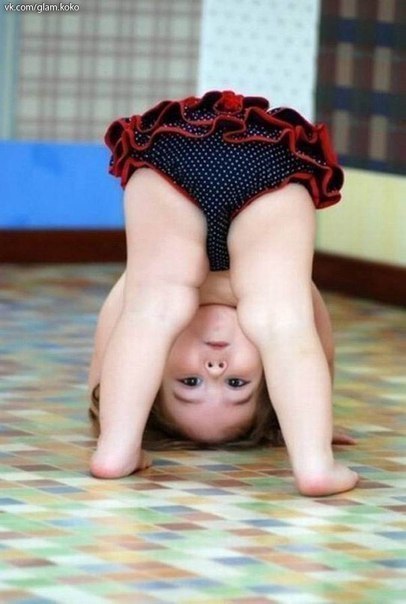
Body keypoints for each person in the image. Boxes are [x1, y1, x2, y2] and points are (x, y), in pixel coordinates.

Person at [89, 90, 359, 496]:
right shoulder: (271, 292)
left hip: (171, 158)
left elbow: (107, 350)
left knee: (149, 312)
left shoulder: (145, 295)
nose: (214, 369)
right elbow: (317, 342)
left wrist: (103, 415)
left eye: (189, 381)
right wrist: (314, 425)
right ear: (269, 376)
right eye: (237, 384)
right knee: (284, 323)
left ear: (154, 373)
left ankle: (115, 447)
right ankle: (314, 462)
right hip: (265, 166)